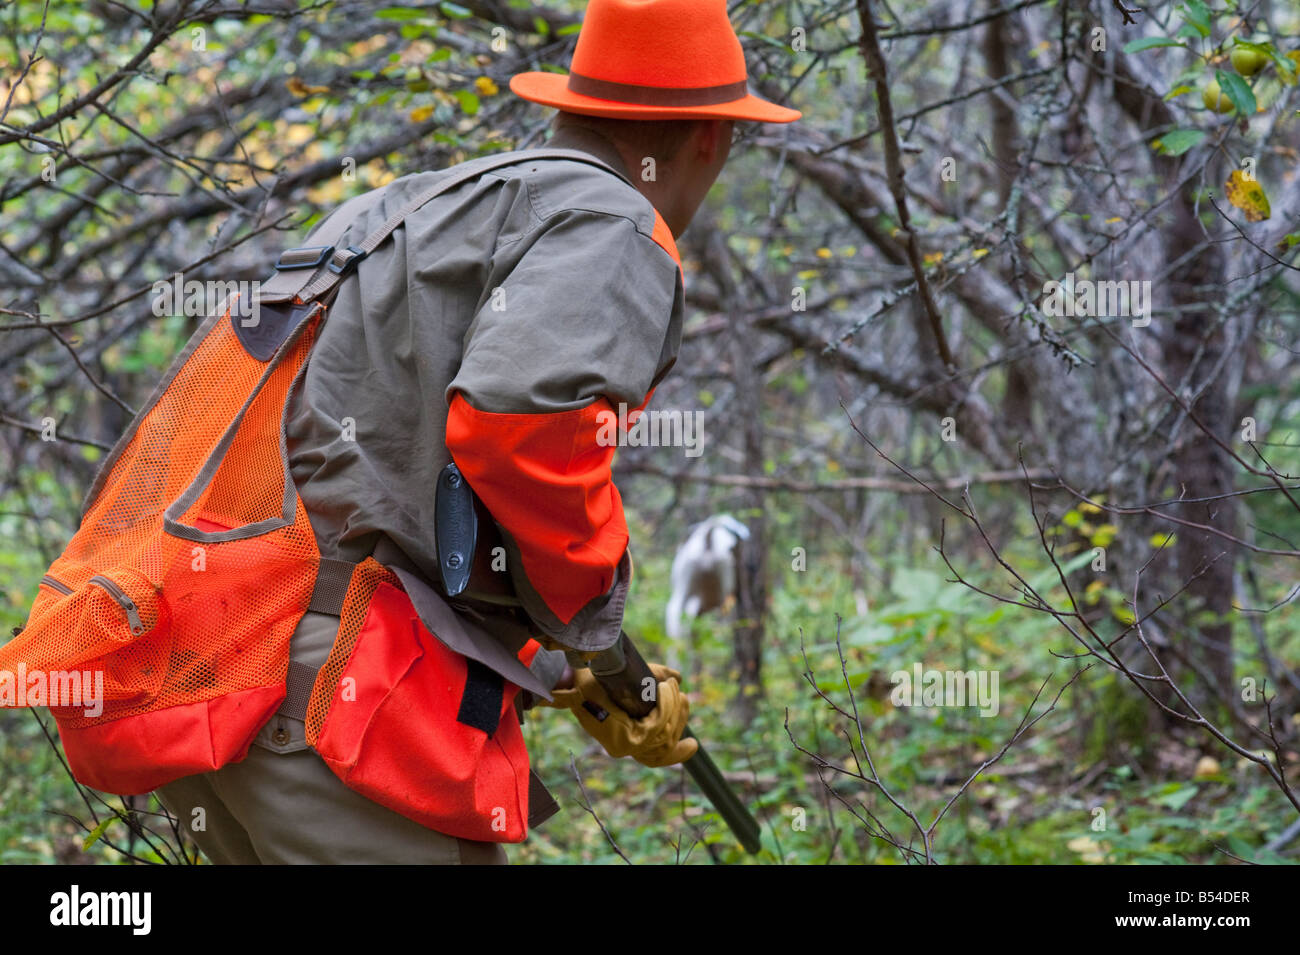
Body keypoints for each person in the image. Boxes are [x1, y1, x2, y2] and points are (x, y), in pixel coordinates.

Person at [154, 0, 799, 864]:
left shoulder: (402, 209)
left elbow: (379, 484)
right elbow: (515, 433)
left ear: (568, 108)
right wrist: (589, 623)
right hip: (335, 700)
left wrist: (549, 655)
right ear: (712, 139)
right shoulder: (610, 223)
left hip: (218, 669)